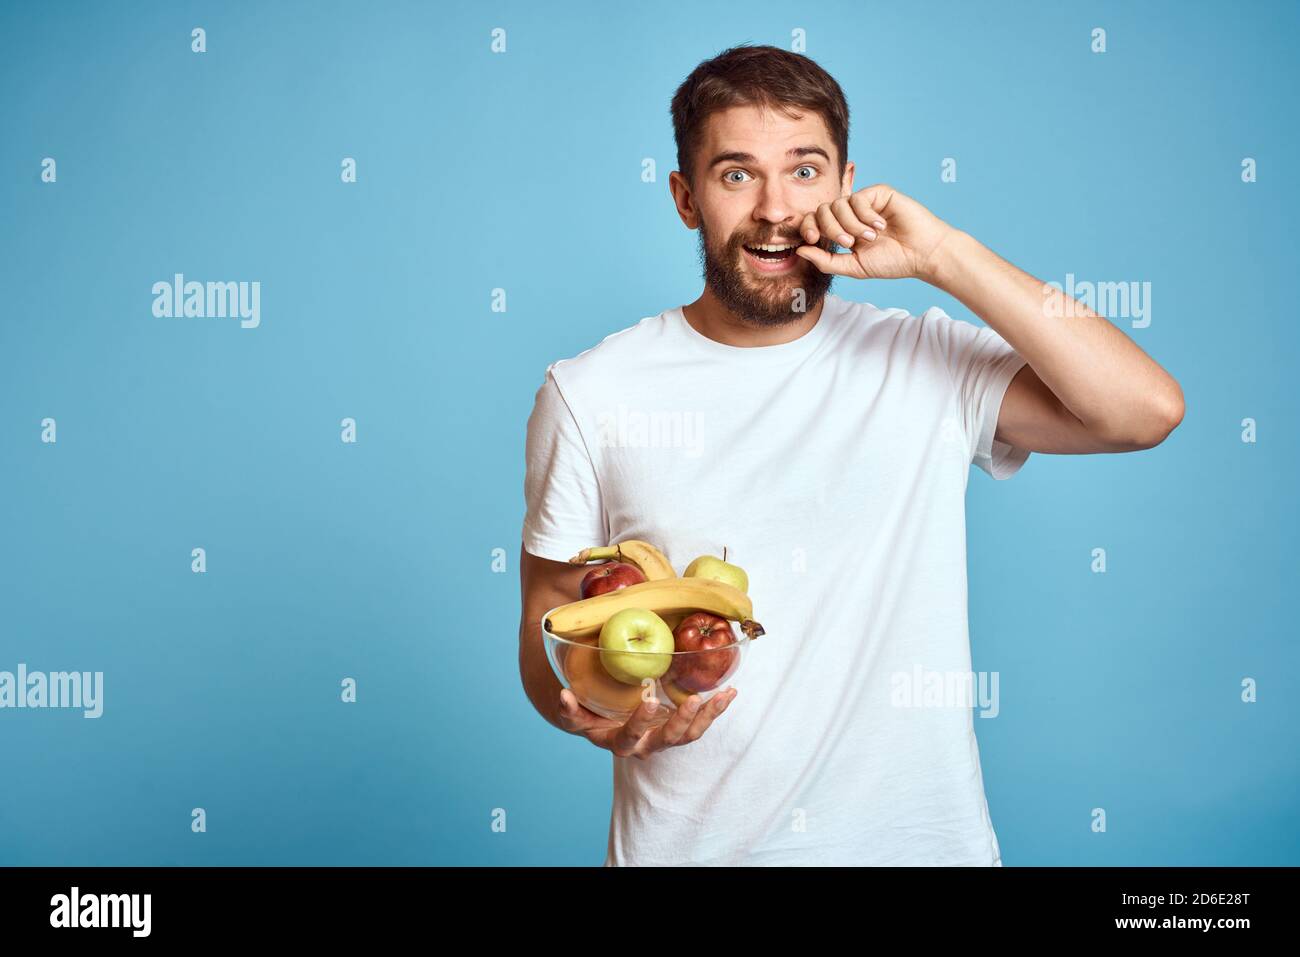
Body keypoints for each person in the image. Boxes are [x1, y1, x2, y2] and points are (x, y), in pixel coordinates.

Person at [518, 44, 1183, 866]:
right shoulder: (591, 391)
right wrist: (601, 712)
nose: (774, 209)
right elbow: (549, 624)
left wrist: (942, 255)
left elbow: (1144, 410)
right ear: (686, 199)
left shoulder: (925, 360)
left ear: (844, 183)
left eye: (804, 171)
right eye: (736, 175)